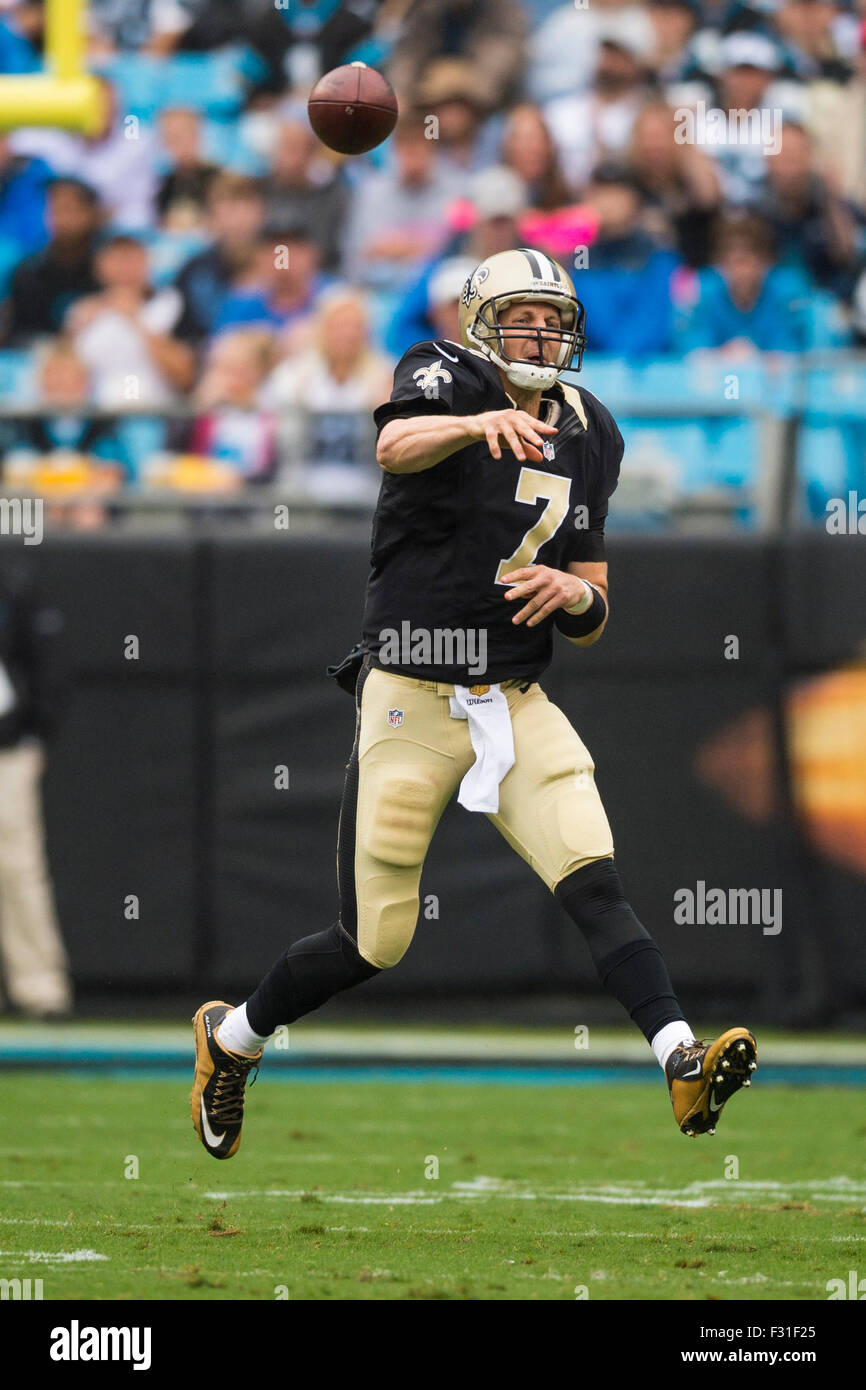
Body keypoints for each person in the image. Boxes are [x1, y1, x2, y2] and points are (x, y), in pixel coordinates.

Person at [190, 247, 758, 1160]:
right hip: (412, 694)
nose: (540, 333)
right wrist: (475, 424)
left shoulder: (590, 429)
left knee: (593, 875)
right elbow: (393, 444)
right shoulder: (441, 374)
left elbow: (595, 602)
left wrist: (578, 598)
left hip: (514, 695)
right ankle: (232, 1041)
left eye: (552, 318)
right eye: (522, 315)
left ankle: (679, 1058)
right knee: (375, 939)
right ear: (479, 320)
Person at [0, 558, 72, 1019]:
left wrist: (36, 732)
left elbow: (46, 661)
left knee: (18, 865)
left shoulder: (14, 583)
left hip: (8, 745)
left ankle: (39, 987)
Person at [1, 178, 102, 344]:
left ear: (91, 213)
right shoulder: (30, 271)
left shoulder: (109, 266)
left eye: (69, 209)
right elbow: (19, 331)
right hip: (44, 358)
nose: (61, 219)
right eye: (55, 210)